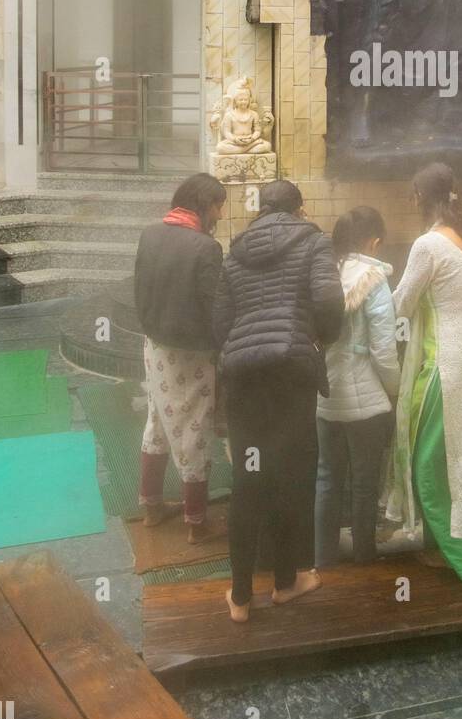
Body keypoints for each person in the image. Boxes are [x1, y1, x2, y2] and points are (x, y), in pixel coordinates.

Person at [213, 180, 344, 622]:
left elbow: (220, 321)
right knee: (293, 475)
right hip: (291, 375)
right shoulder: (313, 243)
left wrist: (238, 347)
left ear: (260, 209)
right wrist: (319, 338)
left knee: (248, 481)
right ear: (299, 209)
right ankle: (288, 583)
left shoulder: (234, 253)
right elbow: (329, 299)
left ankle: (240, 598)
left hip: (245, 380)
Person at [386, 162, 462, 583]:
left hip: (447, 367)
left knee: (426, 468)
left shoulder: (428, 246)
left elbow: (399, 304)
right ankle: (446, 547)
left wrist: (361, 284)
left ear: (418, 197)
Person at [133, 172, 227, 543]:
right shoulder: (206, 248)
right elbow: (214, 308)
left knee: (158, 420)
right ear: (204, 204)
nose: (220, 213)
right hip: (192, 354)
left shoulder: (150, 234)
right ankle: (196, 522)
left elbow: (139, 290)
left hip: (155, 347)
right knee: (194, 430)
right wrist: (221, 346)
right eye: (218, 205)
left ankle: (152, 507)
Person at [314, 206, 400, 568]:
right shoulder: (374, 279)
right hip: (366, 405)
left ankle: (323, 560)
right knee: (364, 482)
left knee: (327, 478)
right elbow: (383, 350)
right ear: (374, 242)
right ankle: (365, 557)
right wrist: (394, 389)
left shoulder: (322, 274)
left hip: (324, 396)